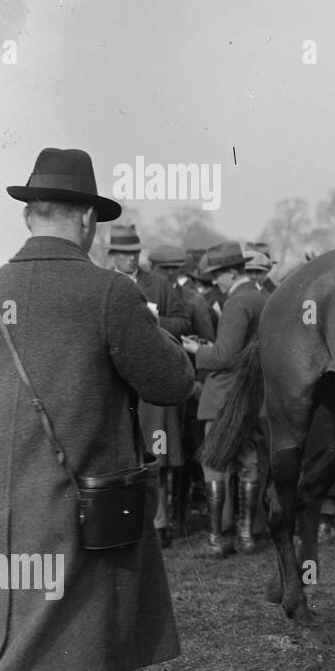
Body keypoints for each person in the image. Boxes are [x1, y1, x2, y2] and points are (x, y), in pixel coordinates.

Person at [0, 148, 193, 671]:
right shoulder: (108, 293)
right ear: (88, 219)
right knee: (38, 641)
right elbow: (169, 382)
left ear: (31, 214)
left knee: (32, 631)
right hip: (70, 503)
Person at [107, 225, 193, 552]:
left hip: (154, 379)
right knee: (124, 456)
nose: (131, 259)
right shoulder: (104, 284)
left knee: (160, 453)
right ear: (112, 255)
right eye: (124, 254)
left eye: (135, 253)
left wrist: (153, 322)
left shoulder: (158, 283)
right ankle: (127, 521)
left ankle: (161, 523)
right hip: (118, 382)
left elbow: (183, 321)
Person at [184, 243, 268, 559]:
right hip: (252, 395)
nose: (215, 282)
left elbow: (224, 355)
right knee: (248, 463)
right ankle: (246, 536)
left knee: (215, 465)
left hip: (223, 396)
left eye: (217, 276)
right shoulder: (262, 298)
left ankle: (216, 539)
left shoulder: (236, 301)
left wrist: (197, 351)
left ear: (230, 273)